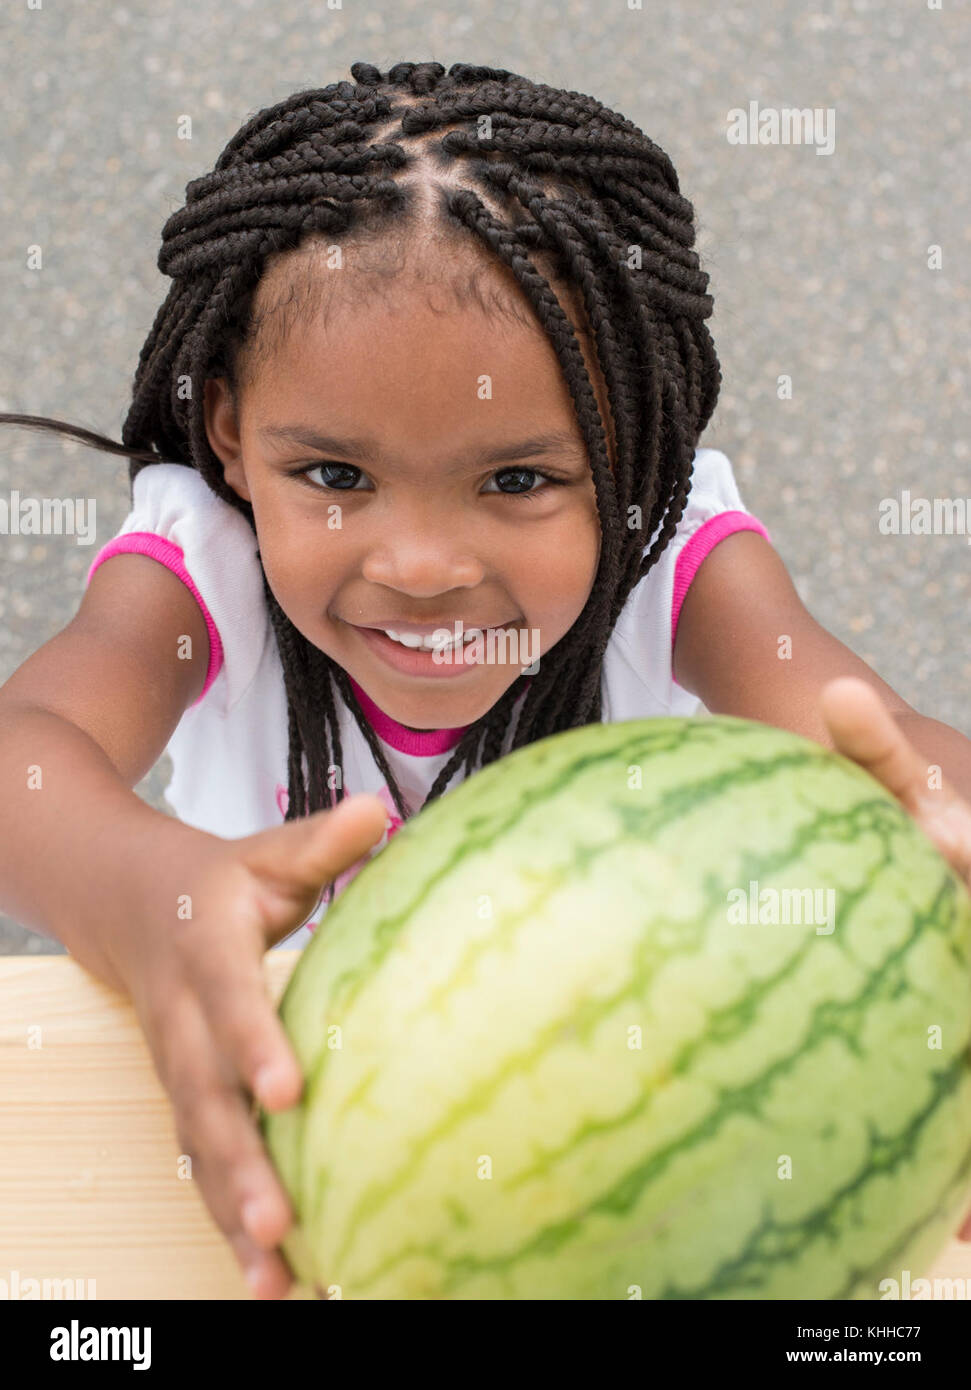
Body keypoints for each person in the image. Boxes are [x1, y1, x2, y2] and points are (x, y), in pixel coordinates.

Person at [2, 60, 970, 1300]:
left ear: (631, 458)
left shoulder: (669, 564)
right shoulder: (207, 570)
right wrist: (147, 900)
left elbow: (878, 735)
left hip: (624, 1126)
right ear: (235, 434)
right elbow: (25, 745)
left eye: (516, 481)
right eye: (335, 478)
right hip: (290, 1130)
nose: (418, 567)